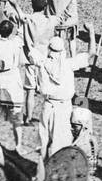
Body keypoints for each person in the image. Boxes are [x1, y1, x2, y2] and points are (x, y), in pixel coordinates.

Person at [39, 27, 97, 157]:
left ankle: (41, 170)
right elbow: (91, 53)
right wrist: (91, 33)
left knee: (44, 141)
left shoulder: (43, 64)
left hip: (48, 106)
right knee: (60, 143)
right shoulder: (69, 64)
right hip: (63, 107)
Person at [0, 2, 29, 151]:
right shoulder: (15, 42)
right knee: (16, 118)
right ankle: (18, 145)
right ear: (10, 32)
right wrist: (15, 5)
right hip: (12, 81)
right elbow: (23, 24)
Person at [68, 102, 101, 181]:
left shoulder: (86, 142)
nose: (71, 128)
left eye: (75, 126)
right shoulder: (81, 138)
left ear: (83, 125)